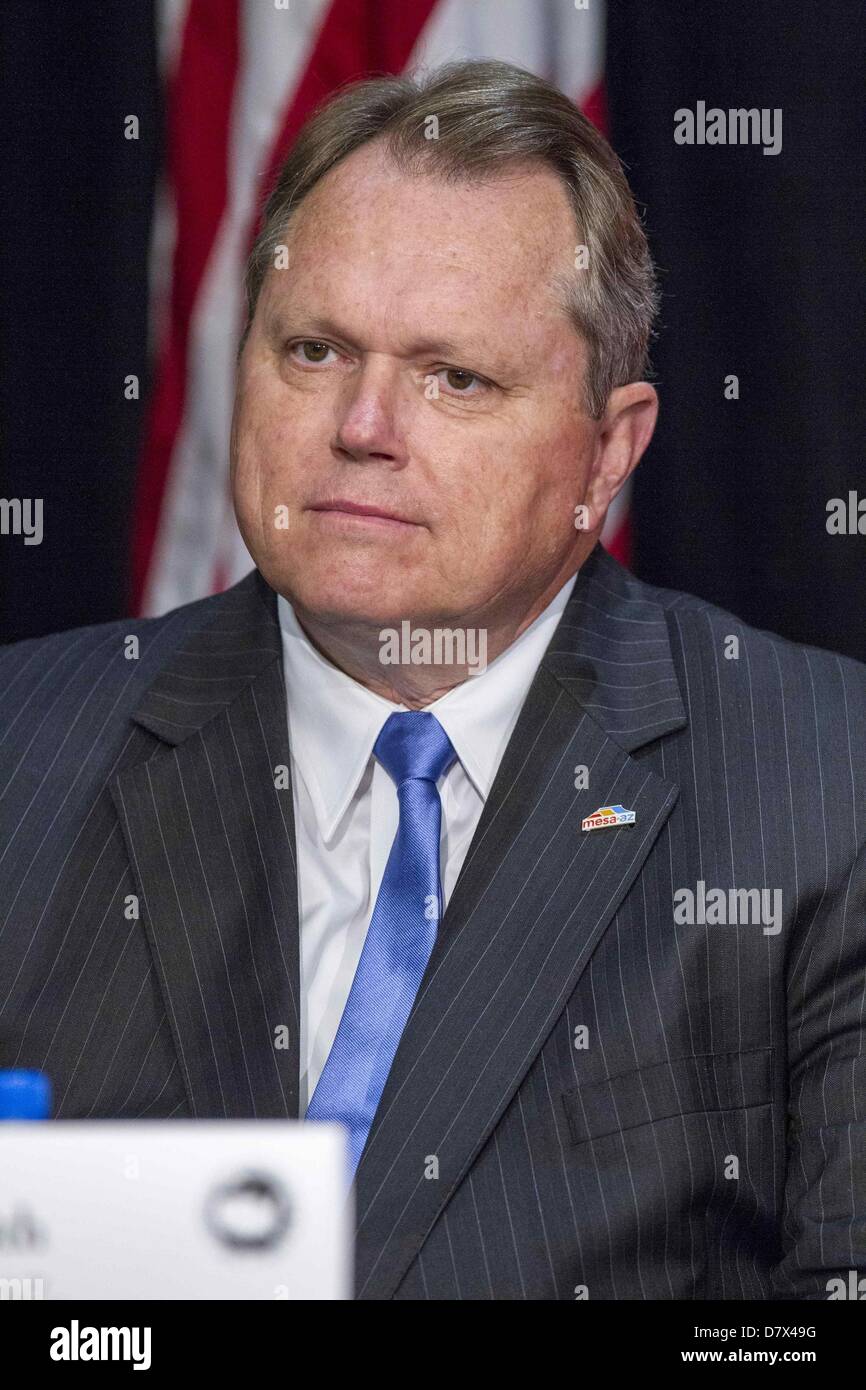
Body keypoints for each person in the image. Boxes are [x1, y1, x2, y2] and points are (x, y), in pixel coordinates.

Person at [1, 60, 864, 1300]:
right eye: (312, 349)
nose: (360, 424)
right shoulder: (22, 758)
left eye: (453, 378)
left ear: (607, 448)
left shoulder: (820, 790)